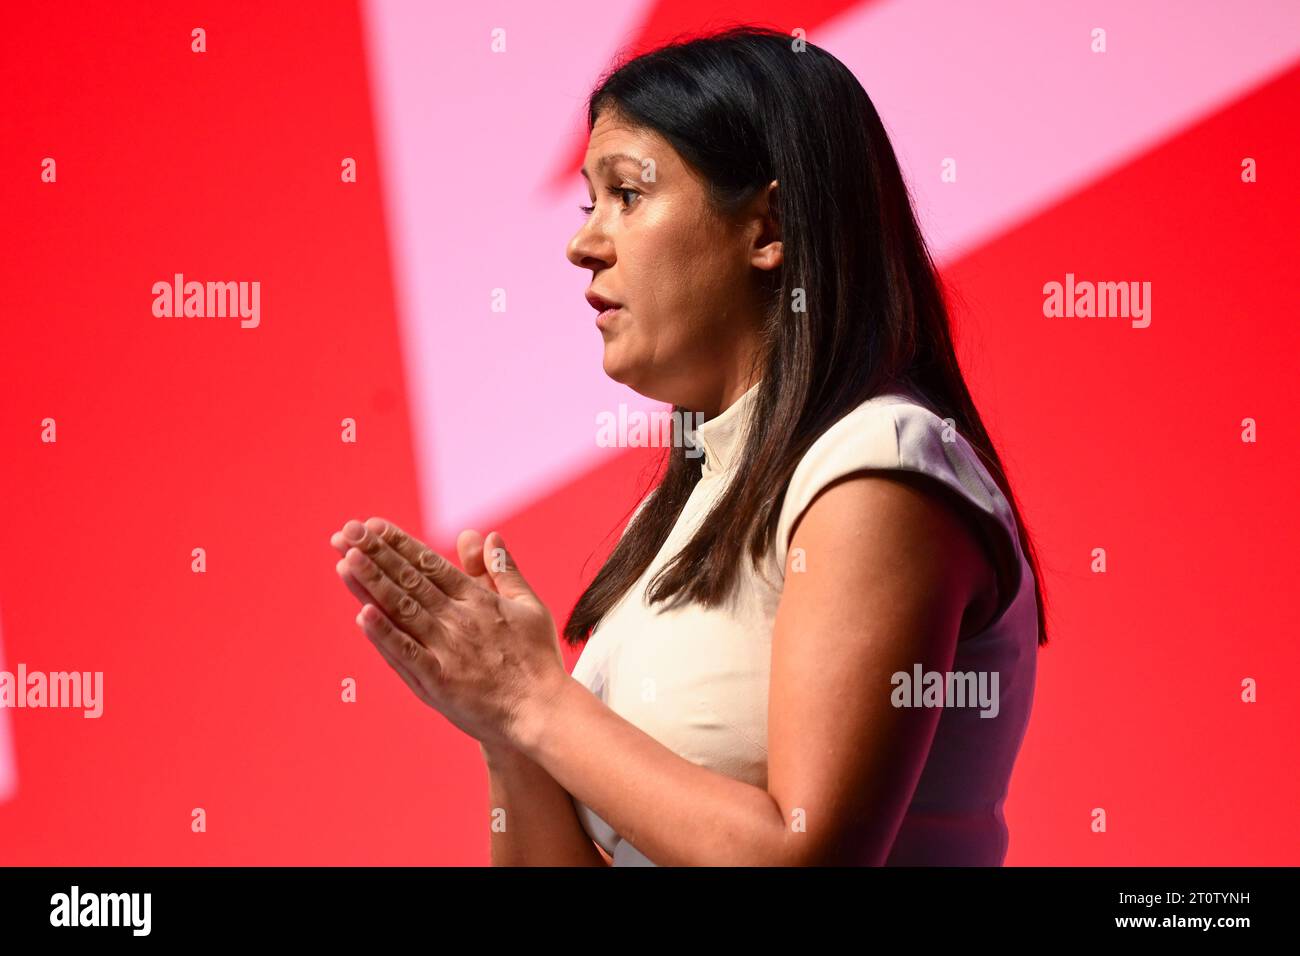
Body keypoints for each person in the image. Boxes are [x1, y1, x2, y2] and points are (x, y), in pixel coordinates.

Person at [331, 25, 1047, 866]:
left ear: (769, 226)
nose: (583, 243)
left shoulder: (877, 469)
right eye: (587, 204)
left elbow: (805, 856)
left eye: (627, 195)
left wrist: (534, 700)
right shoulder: (691, 508)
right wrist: (508, 734)